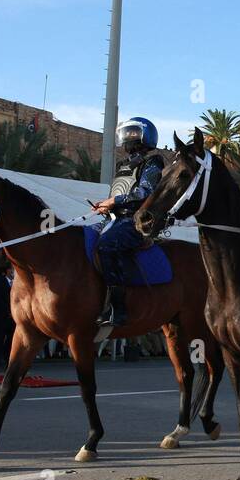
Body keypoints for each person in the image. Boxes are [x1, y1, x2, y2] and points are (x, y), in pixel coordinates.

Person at [92, 117, 163, 327]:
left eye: (133, 133)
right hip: (114, 218)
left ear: (145, 136)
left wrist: (114, 200)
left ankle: (118, 309)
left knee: (106, 244)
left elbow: (145, 192)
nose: (128, 138)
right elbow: (119, 191)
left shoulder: (153, 162)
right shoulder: (122, 165)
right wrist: (105, 206)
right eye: (126, 134)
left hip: (136, 220)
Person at [0, 262, 16, 371]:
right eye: (11, 269)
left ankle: (8, 363)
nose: (13, 272)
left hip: (14, 317)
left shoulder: (18, 282)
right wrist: (8, 311)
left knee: (11, 341)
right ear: (6, 270)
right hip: (1, 316)